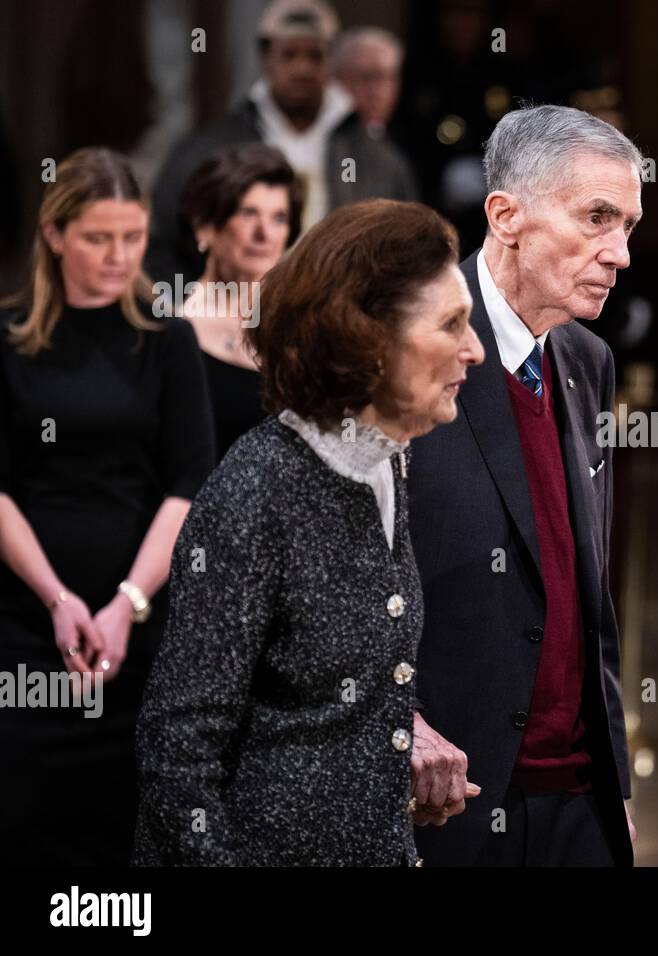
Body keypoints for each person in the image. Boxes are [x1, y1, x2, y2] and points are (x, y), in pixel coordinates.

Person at [132, 199, 484, 866]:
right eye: (451, 324)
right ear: (369, 341)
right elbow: (177, 753)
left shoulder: (385, 460)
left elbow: (334, 678)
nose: (475, 349)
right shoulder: (256, 493)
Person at [407, 104, 641, 867]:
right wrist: (393, 721)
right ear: (505, 216)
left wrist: (615, 797)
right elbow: (331, 579)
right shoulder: (408, 353)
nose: (621, 253)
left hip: (577, 802)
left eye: (629, 226)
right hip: (452, 802)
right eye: (598, 218)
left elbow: (588, 591)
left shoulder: (587, 359)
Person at [0, 147, 215, 865]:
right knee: (29, 812)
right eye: (98, 238)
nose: (119, 255)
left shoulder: (167, 340)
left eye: (131, 236)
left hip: (141, 622)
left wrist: (126, 603)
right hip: (28, 620)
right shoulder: (7, 339)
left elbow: (188, 483)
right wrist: (57, 599)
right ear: (55, 235)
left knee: (129, 820)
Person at [145, 0, 416, 289]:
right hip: (236, 314)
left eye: (315, 55)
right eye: (289, 54)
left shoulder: (375, 159)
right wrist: (195, 314)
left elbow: (406, 250)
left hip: (341, 320)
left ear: (332, 62)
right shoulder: (211, 150)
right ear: (265, 59)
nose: (302, 68)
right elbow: (164, 245)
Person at [178, 143, 302, 461]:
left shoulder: (302, 329)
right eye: (248, 213)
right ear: (205, 225)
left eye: (279, 218)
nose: (265, 234)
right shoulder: (173, 329)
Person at [331, 27, 404, 140]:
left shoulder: (404, 144)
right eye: (365, 78)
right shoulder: (326, 141)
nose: (376, 92)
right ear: (338, 80)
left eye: (386, 78)